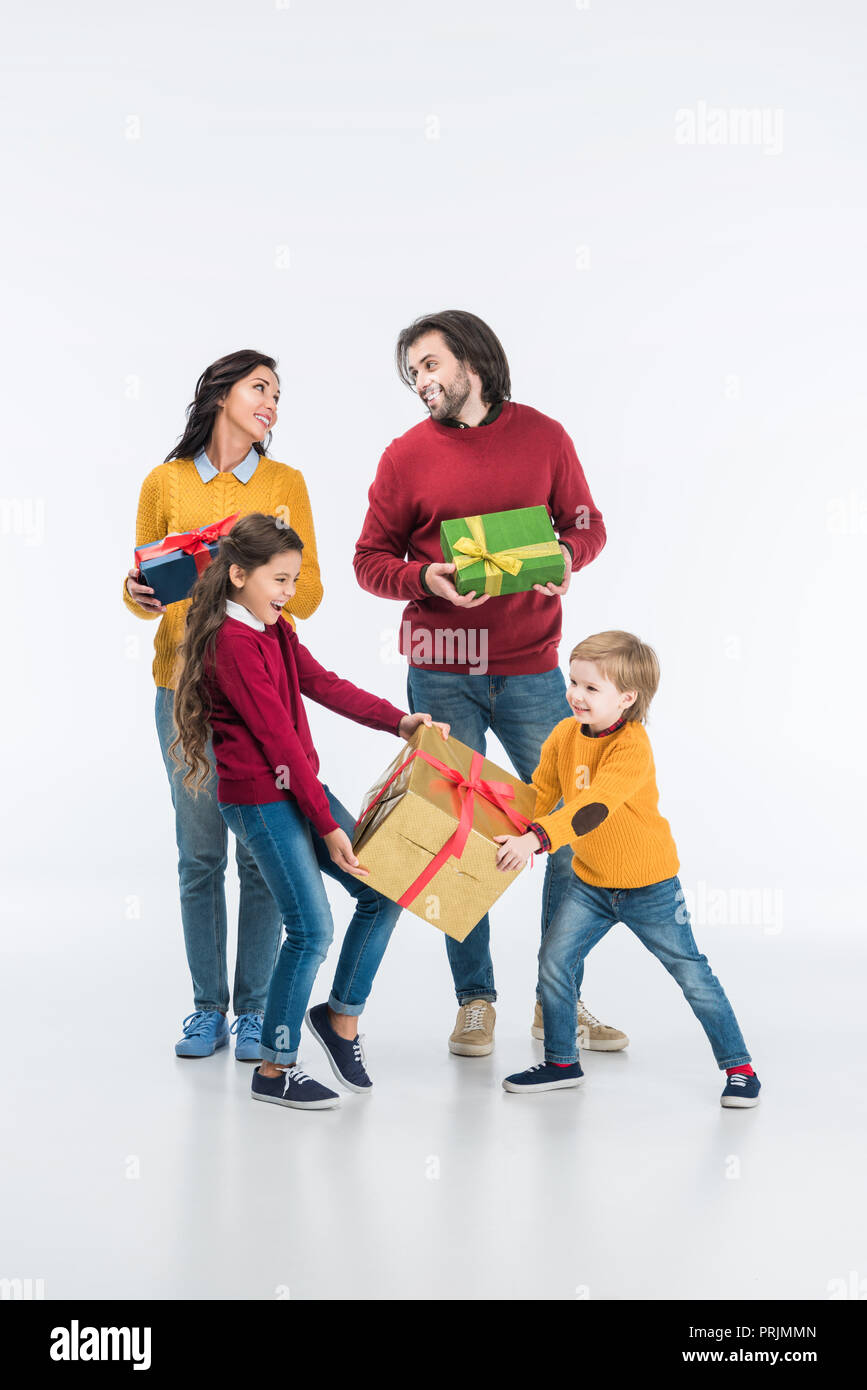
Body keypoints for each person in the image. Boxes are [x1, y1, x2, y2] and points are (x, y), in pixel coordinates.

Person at [354, 309, 628, 1058]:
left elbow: (587, 524)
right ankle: (474, 1001)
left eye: (431, 364)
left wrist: (568, 554)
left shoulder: (543, 436)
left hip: (535, 672)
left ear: (471, 360)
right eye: (412, 372)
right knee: (453, 838)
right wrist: (426, 577)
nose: (421, 381)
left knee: (567, 831)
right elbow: (369, 559)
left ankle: (556, 1000)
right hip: (440, 674)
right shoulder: (404, 455)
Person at [169, 511, 450, 1110]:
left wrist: (398, 721)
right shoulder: (233, 641)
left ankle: (339, 1018)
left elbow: (322, 683)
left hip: (294, 790)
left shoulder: (274, 629)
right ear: (239, 575)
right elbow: (279, 742)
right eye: (279, 580)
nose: (289, 593)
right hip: (261, 801)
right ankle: (274, 1069)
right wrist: (326, 824)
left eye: (294, 580)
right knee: (312, 927)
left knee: (383, 889)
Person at [122, 350, 324, 1060]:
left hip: (257, 689)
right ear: (219, 395)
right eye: (259, 388)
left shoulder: (283, 484)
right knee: (200, 854)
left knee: (260, 857)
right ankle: (208, 1008)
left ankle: (256, 1008)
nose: (272, 401)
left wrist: (249, 565)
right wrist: (139, 589)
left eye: (277, 392)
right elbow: (142, 587)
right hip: (182, 692)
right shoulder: (164, 481)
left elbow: (309, 592)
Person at [494, 631, 761, 1108]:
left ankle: (739, 1068)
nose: (576, 694)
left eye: (591, 688)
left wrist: (537, 839)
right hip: (591, 883)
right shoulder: (562, 735)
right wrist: (495, 818)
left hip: (649, 886)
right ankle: (561, 1062)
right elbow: (541, 795)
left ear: (627, 697)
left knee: (691, 972)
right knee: (554, 960)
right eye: (573, 682)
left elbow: (595, 806)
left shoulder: (631, 747)